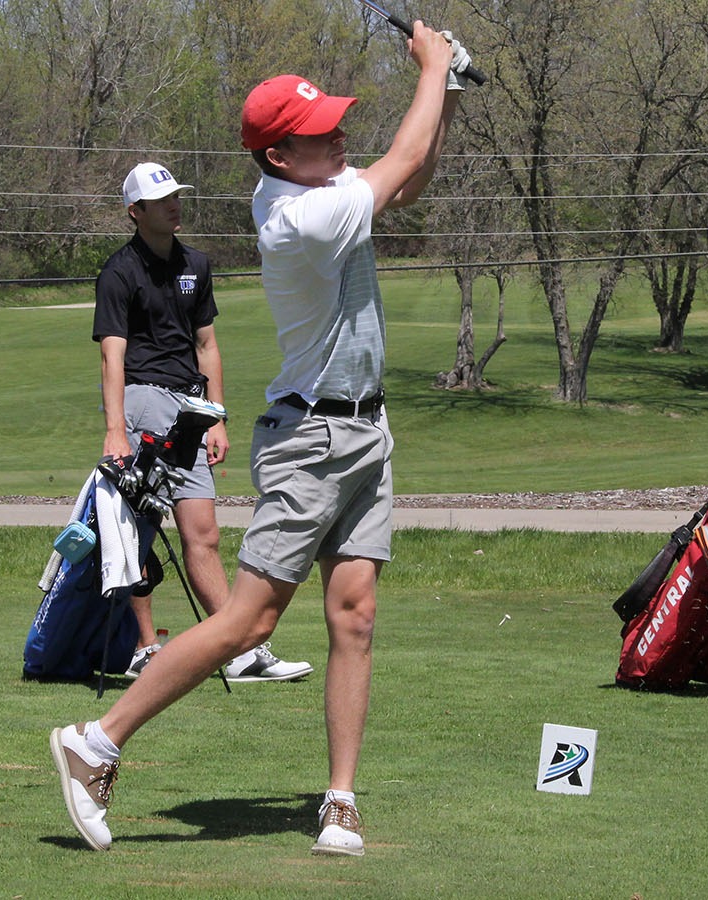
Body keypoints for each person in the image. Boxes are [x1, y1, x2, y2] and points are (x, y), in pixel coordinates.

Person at [52, 23, 471, 857]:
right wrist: (430, 69)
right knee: (248, 622)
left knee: (354, 616)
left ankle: (341, 801)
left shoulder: (324, 183)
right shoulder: (300, 217)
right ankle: (93, 742)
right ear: (283, 156)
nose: (342, 136)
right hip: (310, 438)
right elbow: (398, 167)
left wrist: (448, 91)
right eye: (323, 132)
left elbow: (411, 178)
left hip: (365, 433)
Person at [94, 161, 313, 684]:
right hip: (143, 401)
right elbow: (112, 358)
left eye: (176, 195)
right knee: (137, 533)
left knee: (204, 533)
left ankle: (236, 648)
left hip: (191, 409)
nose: (174, 204)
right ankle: (145, 646)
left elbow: (207, 346)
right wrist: (115, 430)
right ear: (136, 212)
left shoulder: (197, 263)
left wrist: (217, 417)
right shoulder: (119, 272)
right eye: (161, 199)